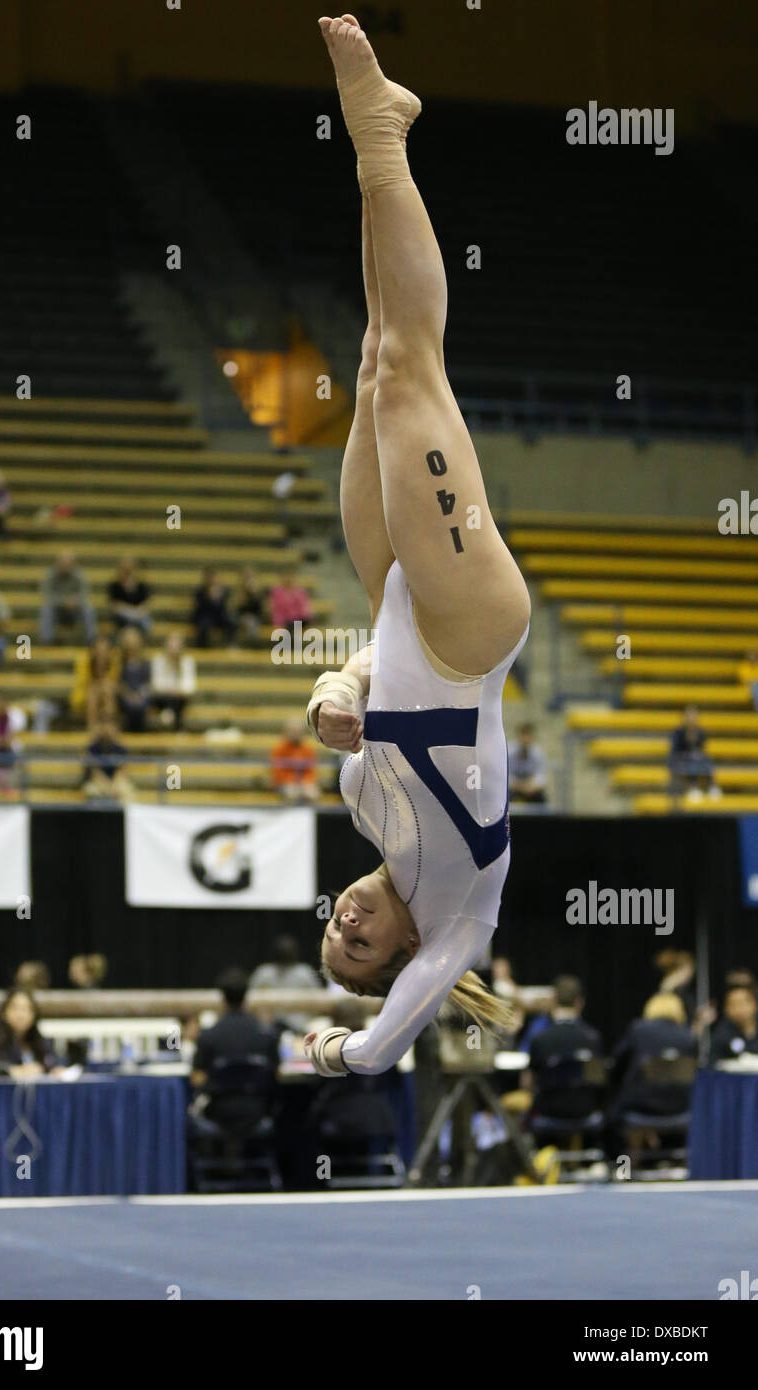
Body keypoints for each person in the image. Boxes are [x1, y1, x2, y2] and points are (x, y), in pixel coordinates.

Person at [301, 17, 530, 1079]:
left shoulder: (356, 800)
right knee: (409, 369)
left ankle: (375, 137)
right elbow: (400, 1032)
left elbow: (359, 667)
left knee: (370, 362)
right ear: (394, 954)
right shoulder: (454, 914)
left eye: (331, 927)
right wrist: (346, 1051)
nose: (347, 921)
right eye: (358, 945)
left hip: (398, 601)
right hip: (466, 630)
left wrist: (331, 690)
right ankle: (376, 137)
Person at [608, 993, 697, 1136]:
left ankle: (630, 1157)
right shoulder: (688, 1038)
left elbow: (617, 1062)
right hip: (679, 1109)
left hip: (641, 1107)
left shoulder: (638, 1030)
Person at [191, 968, 279, 1098]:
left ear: (223, 998)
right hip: (257, 1108)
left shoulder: (208, 1036)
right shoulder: (267, 1035)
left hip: (218, 1109)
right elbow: (276, 1074)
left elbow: (197, 1078)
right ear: (246, 996)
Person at [528, 976, 603, 1121]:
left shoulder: (540, 1038)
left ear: (553, 1002)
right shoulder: (593, 1038)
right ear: (579, 1003)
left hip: (548, 1110)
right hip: (584, 1109)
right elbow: (596, 1082)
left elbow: (528, 1084)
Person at [0, 988, 59, 1078]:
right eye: (15, 1008)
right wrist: (9, 1070)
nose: (21, 1015)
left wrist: (53, 1070)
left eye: (26, 1009)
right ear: (4, 1013)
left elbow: (55, 1063)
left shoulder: (43, 1042)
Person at [249, 936, 322, 1034]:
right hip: (268, 1026)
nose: (285, 952)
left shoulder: (304, 972)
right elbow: (250, 1002)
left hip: (300, 1025)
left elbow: (320, 1002)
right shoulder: (264, 973)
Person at [39, 549, 97, 645]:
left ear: (73, 564)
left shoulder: (79, 575)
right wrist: (64, 601)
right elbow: (46, 594)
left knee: (88, 609)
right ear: (58, 563)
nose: (65, 567)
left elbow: (85, 593)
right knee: (46, 609)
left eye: (68, 564)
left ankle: (92, 641)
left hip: (75, 610)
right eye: (63, 564)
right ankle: (46, 641)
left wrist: (75, 600)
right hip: (57, 611)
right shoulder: (50, 575)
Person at [69, 635, 121, 726]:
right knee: (93, 693)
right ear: (93, 651)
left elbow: (115, 684)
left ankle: (108, 727)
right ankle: (93, 730)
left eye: (105, 651)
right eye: (99, 651)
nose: (102, 654)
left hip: (107, 697)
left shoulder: (114, 663)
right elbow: (83, 684)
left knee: (107, 690)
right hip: (86, 697)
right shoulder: (84, 662)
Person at [669, 705, 718, 800]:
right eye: (690, 715)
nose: (692, 718)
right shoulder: (678, 732)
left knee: (705, 760)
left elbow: (702, 749)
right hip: (681, 760)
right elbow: (675, 751)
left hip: (695, 759)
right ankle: (693, 787)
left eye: (694, 715)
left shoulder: (700, 732)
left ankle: (712, 786)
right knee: (693, 761)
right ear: (685, 717)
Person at [150, 630, 197, 729]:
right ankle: (170, 715)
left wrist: (174, 690)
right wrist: (172, 689)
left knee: (176, 700)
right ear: (166, 644)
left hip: (180, 699)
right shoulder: (158, 660)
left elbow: (190, 687)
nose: (174, 647)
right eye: (171, 643)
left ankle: (168, 714)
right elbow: (156, 685)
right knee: (168, 699)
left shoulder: (187, 662)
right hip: (161, 699)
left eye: (177, 643)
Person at [83, 720, 135, 801]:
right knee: (91, 791)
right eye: (105, 726)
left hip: (116, 781)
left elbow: (121, 770)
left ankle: (124, 813)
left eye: (111, 727)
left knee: (127, 791)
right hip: (98, 781)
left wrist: (114, 785)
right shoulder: (93, 748)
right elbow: (95, 772)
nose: (108, 730)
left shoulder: (121, 749)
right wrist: (107, 787)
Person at [270, 719, 320, 801]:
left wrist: (304, 782)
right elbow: (277, 772)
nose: (296, 734)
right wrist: (292, 780)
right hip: (284, 784)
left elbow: (311, 771)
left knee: (312, 793)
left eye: (298, 731)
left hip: (304, 783)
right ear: (286, 731)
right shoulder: (279, 749)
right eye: (293, 731)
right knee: (291, 792)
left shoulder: (308, 750)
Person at [708, 984, 758, 1064]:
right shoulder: (721, 1032)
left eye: (742, 1003)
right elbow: (712, 1062)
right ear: (725, 1009)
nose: (738, 1009)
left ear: (754, 1004)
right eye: (732, 1005)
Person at [190, 566, 237, 648]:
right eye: (211, 578)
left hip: (220, 617)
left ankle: (230, 644)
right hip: (205, 617)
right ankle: (202, 646)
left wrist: (219, 599)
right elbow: (198, 610)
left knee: (231, 621)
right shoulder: (200, 592)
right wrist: (208, 598)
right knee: (203, 625)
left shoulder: (224, 592)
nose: (213, 580)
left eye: (215, 578)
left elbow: (227, 609)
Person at [117, 627, 151, 733]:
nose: (132, 644)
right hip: (126, 696)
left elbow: (147, 683)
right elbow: (119, 683)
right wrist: (128, 694)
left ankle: (140, 732)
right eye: (129, 641)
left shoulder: (144, 663)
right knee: (130, 705)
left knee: (141, 705)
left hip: (141, 695)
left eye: (134, 641)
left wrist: (140, 694)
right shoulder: (120, 663)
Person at [108, 555, 152, 635]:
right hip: (122, 614)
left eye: (129, 568)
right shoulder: (115, 585)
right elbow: (113, 604)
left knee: (146, 621)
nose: (127, 571)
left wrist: (138, 611)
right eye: (125, 569)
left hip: (138, 613)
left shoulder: (141, 585)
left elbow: (146, 603)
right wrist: (128, 611)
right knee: (128, 621)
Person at [508, 722, 548, 804]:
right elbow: (505, 776)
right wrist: (519, 786)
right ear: (519, 736)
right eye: (523, 735)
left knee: (541, 798)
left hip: (531, 790)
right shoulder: (509, 752)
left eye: (528, 735)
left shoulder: (538, 753)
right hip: (513, 790)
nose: (525, 739)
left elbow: (541, 777)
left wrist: (531, 786)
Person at [269, 567, 313, 632]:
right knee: (290, 627)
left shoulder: (300, 591)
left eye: (290, 576)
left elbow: (304, 608)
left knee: (299, 624)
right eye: (286, 576)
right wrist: (279, 622)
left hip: (298, 620)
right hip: (284, 621)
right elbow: (275, 609)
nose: (288, 579)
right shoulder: (276, 592)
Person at [235, 567, 265, 646]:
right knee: (248, 623)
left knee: (251, 623)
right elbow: (237, 609)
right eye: (247, 577)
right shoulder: (238, 591)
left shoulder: (259, 592)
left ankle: (250, 645)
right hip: (241, 618)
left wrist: (254, 594)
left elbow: (260, 610)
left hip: (255, 619)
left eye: (251, 577)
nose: (249, 580)